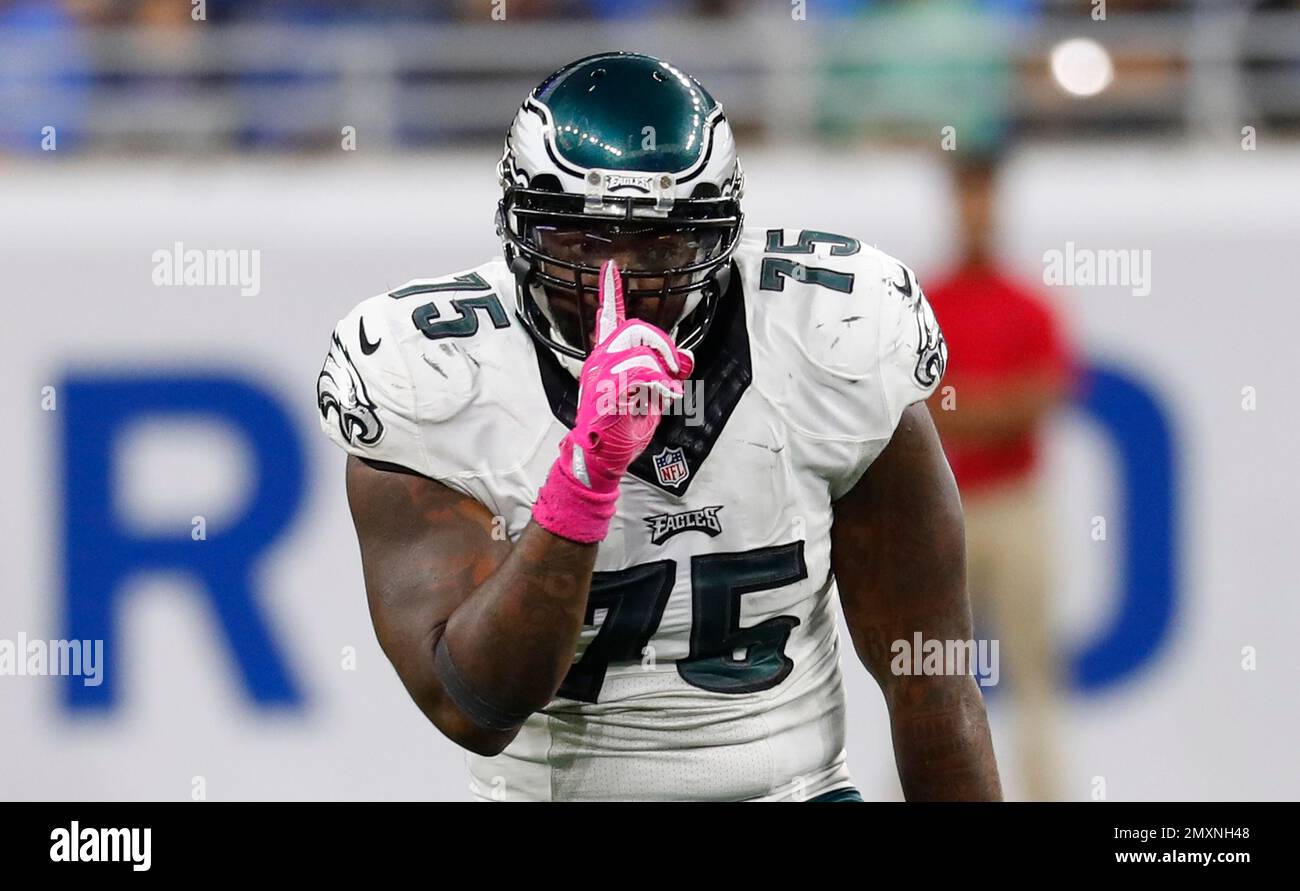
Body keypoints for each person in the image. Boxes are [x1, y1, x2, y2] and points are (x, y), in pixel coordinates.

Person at [317, 51, 1001, 801]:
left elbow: (930, 680)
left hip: (791, 787)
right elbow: (474, 705)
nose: (627, 277)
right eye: (584, 239)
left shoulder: (834, 333)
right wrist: (585, 476)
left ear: (720, 233)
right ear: (523, 227)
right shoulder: (432, 368)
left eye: (664, 240)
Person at [925, 154, 1076, 801]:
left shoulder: (1028, 305)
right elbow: (917, 403)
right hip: (944, 507)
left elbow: (1037, 398)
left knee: (1034, 671)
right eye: (968, 197)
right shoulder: (929, 299)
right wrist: (989, 409)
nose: (976, 211)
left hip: (1012, 505)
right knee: (932, 673)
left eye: (984, 198)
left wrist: (964, 408)